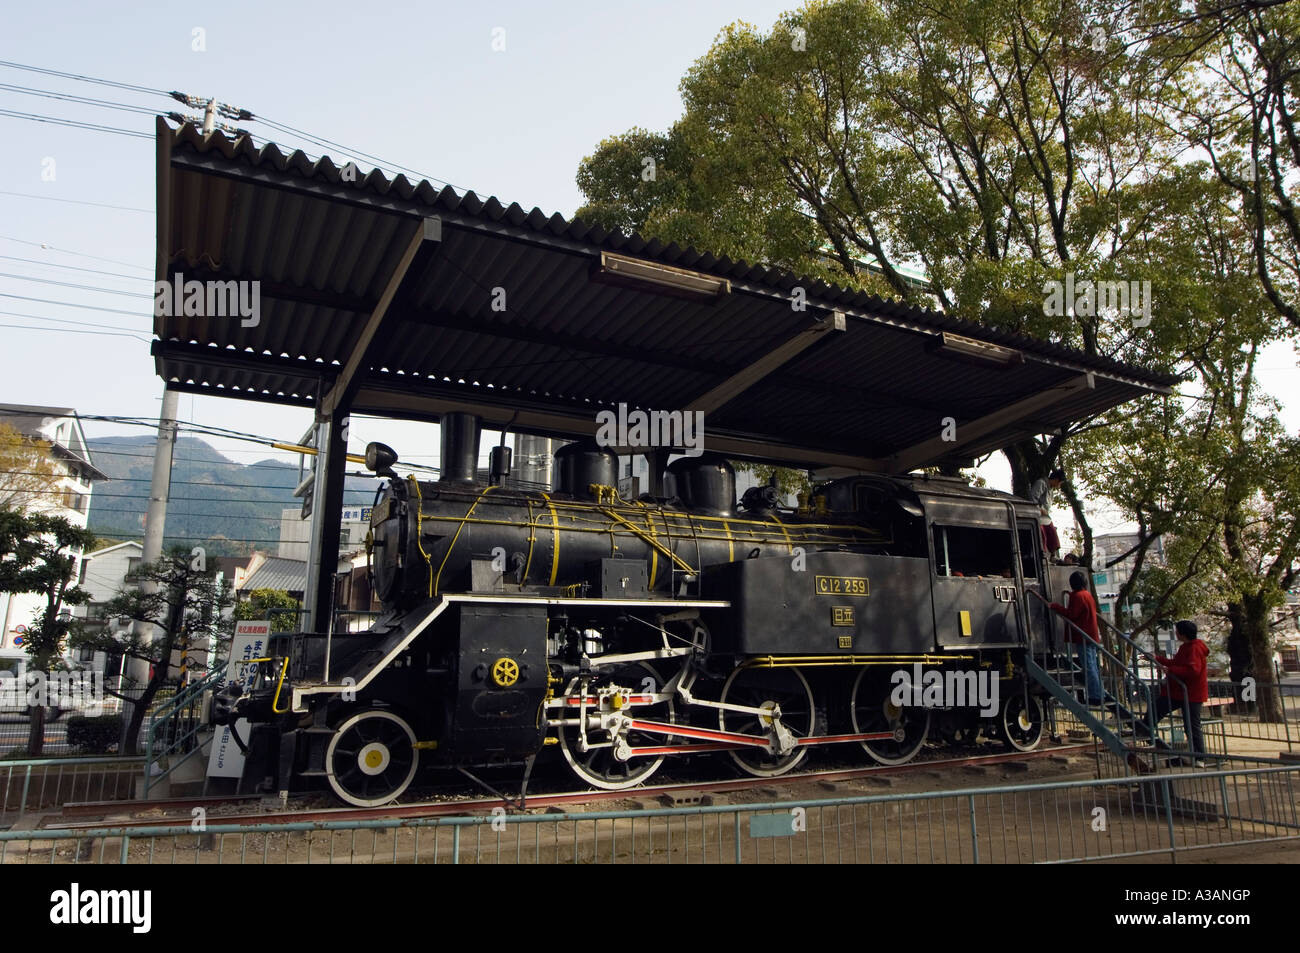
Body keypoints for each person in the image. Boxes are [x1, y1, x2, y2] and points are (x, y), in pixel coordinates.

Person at [1147, 620, 1209, 764]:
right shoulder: (1186, 647)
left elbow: (1193, 670)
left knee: (1192, 725)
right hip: (1179, 691)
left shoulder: (1194, 648)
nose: (1175, 633)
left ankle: (1199, 757)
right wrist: (1158, 659)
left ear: (1182, 633)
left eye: (1177, 631)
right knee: (1157, 709)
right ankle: (1143, 727)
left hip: (1190, 693)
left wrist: (1171, 670)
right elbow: (1176, 663)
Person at [1049, 570, 1102, 705]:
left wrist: (1056, 607)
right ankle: (1097, 693)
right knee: (1093, 666)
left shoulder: (1077, 597)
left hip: (1082, 636)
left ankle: (1095, 696)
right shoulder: (1087, 595)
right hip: (1091, 635)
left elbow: (1072, 614)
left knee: (1088, 666)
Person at [1029, 469, 1065, 560]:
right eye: (1060, 483)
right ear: (1057, 480)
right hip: (1036, 514)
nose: (1059, 486)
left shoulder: (1051, 490)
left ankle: (1053, 554)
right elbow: (1033, 498)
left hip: (1045, 516)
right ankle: (1043, 553)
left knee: (1052, 533)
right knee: (1042, 535)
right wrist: (1040, 509)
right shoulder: (1041, 483)